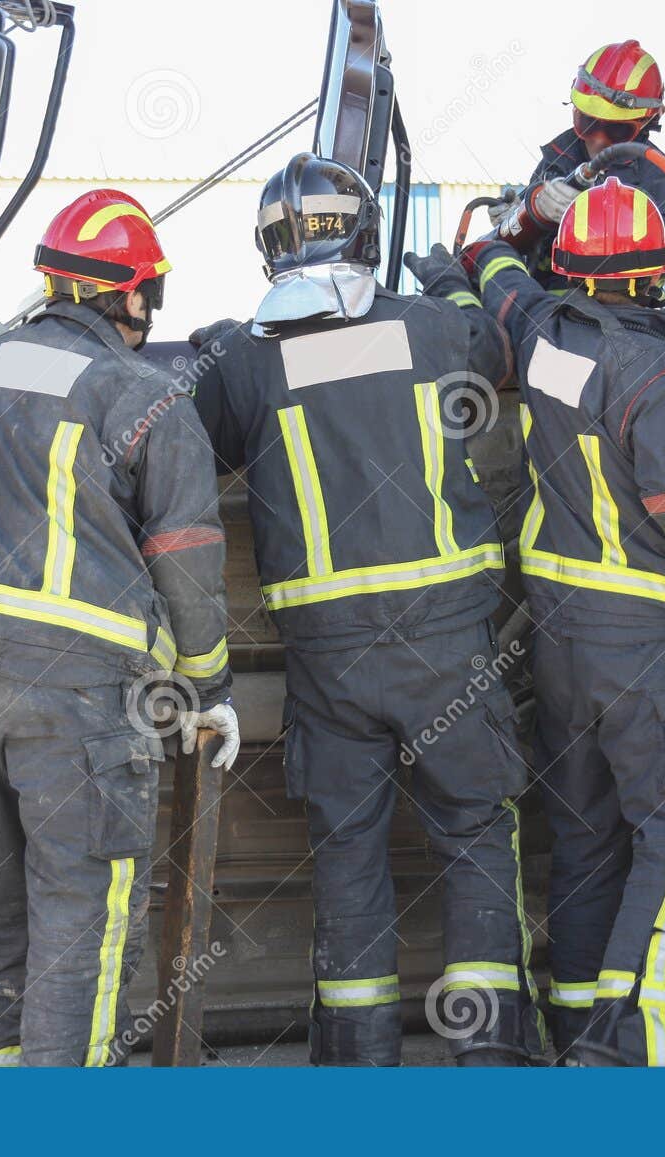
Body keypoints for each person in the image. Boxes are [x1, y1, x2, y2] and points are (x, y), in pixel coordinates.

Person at [188, 152, 541, 1066]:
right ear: (368, 235)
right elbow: (495, 350)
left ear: (268, 250)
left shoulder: (243, 360)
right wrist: (453, 277)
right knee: (474, 839)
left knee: (348, 858)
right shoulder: (430, 328)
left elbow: (194, 436)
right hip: (447, 649)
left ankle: (358, 1072)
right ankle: (490, 1065)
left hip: (329, 663)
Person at [424, 176, 665, 1065]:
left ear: (567, 264)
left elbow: (500, 284)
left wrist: (489, 240)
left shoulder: (540, 337)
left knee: (586, 838)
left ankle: (579, 1027)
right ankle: (631, 1052)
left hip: (566, 644)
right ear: (657, 275)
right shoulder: (659, 370)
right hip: (648, 645)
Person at [0, 188, 238, 1067]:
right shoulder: (142, 391)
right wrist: (211, 690)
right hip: (79, 693)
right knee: (84, 924)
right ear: (135, 297)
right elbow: (184, 550)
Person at [506, 39, 665, 288]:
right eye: (589, 124)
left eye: (617, 130)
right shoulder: (557, 158)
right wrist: (523, 213)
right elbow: (522, 246)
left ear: (647, 122)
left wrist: (592, 219)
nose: (598, 141)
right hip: (545, 310)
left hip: (622, 315)